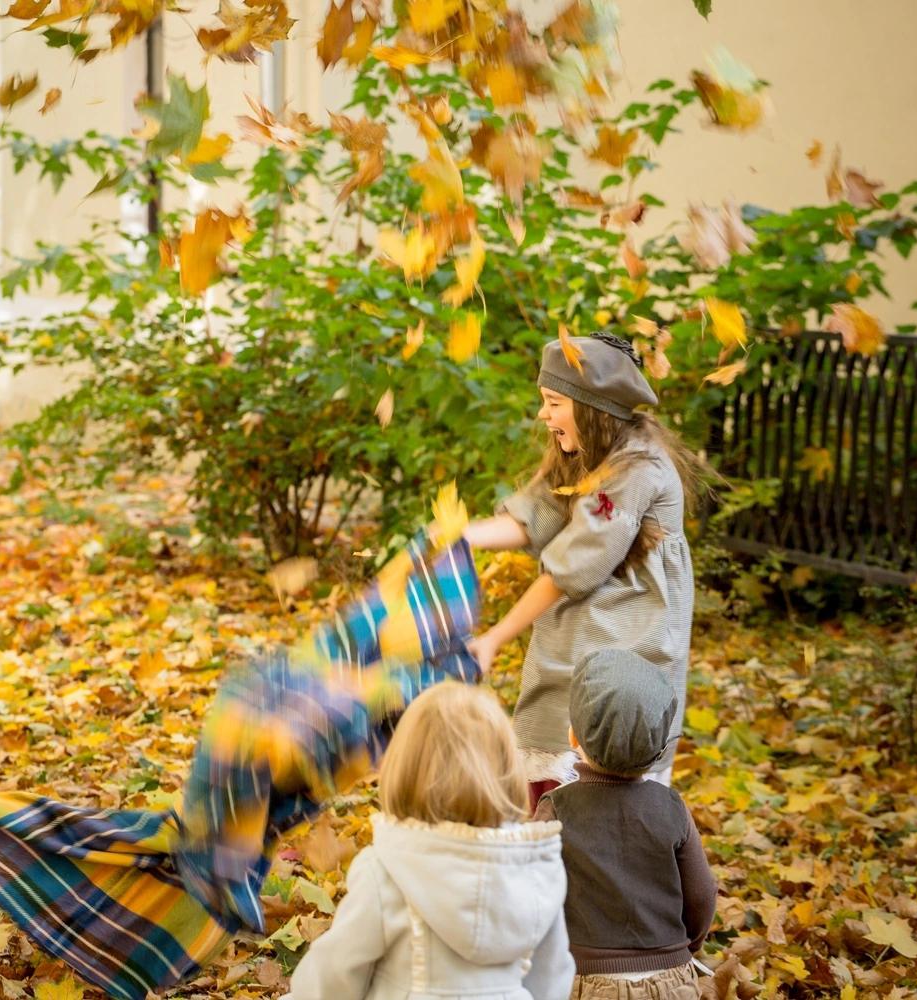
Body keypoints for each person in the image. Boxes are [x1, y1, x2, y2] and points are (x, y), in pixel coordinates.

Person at [463, 331, 709, 806]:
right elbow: (534, 515)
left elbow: (570, 569)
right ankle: (549, 853)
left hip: (628, 637)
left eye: (553, 402)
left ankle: (602, 855)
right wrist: (457, 537)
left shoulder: (638, 468)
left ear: (591, 406)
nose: (543, 415)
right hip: (576, 631)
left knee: (602, 750)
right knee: (553, 734)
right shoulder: (584, 454)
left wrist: (494, 638)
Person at [286, 682, 573, 1000]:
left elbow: (333, 976)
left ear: (405, 768)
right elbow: (551, 979)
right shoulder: (534, 871)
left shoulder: (386, 870)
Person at [534, 650, 717, 999]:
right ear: (661, 747)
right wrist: (686, 945)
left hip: (585, 978)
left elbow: (534, 891)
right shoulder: (671, 807)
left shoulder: (557, 807)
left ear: (574, 737)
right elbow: (702, 893)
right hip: (671, 978)